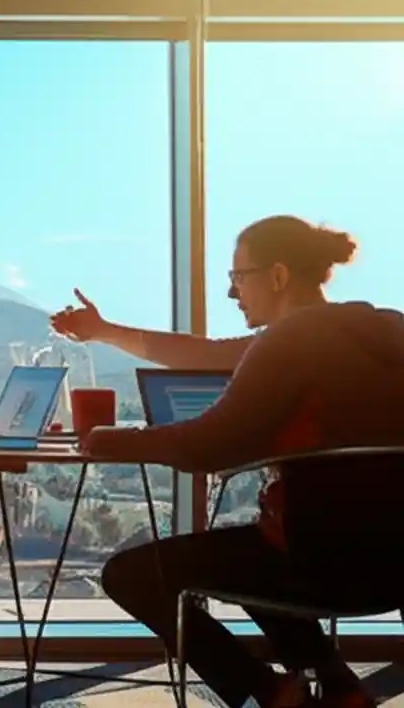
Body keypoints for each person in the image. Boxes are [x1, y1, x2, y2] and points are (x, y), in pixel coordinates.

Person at [82, 216, 401, 708]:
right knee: (256, 548)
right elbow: (206, 355)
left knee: (131, 574)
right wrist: (104, 331)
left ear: (277, 276)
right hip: (395, 560)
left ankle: (269, 694)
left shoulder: (288, 340)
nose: (232, 294)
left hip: (322, 563)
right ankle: (340, 692)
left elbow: (206, 448)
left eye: (238, 278)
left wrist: (112, 441)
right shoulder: (385, 328)